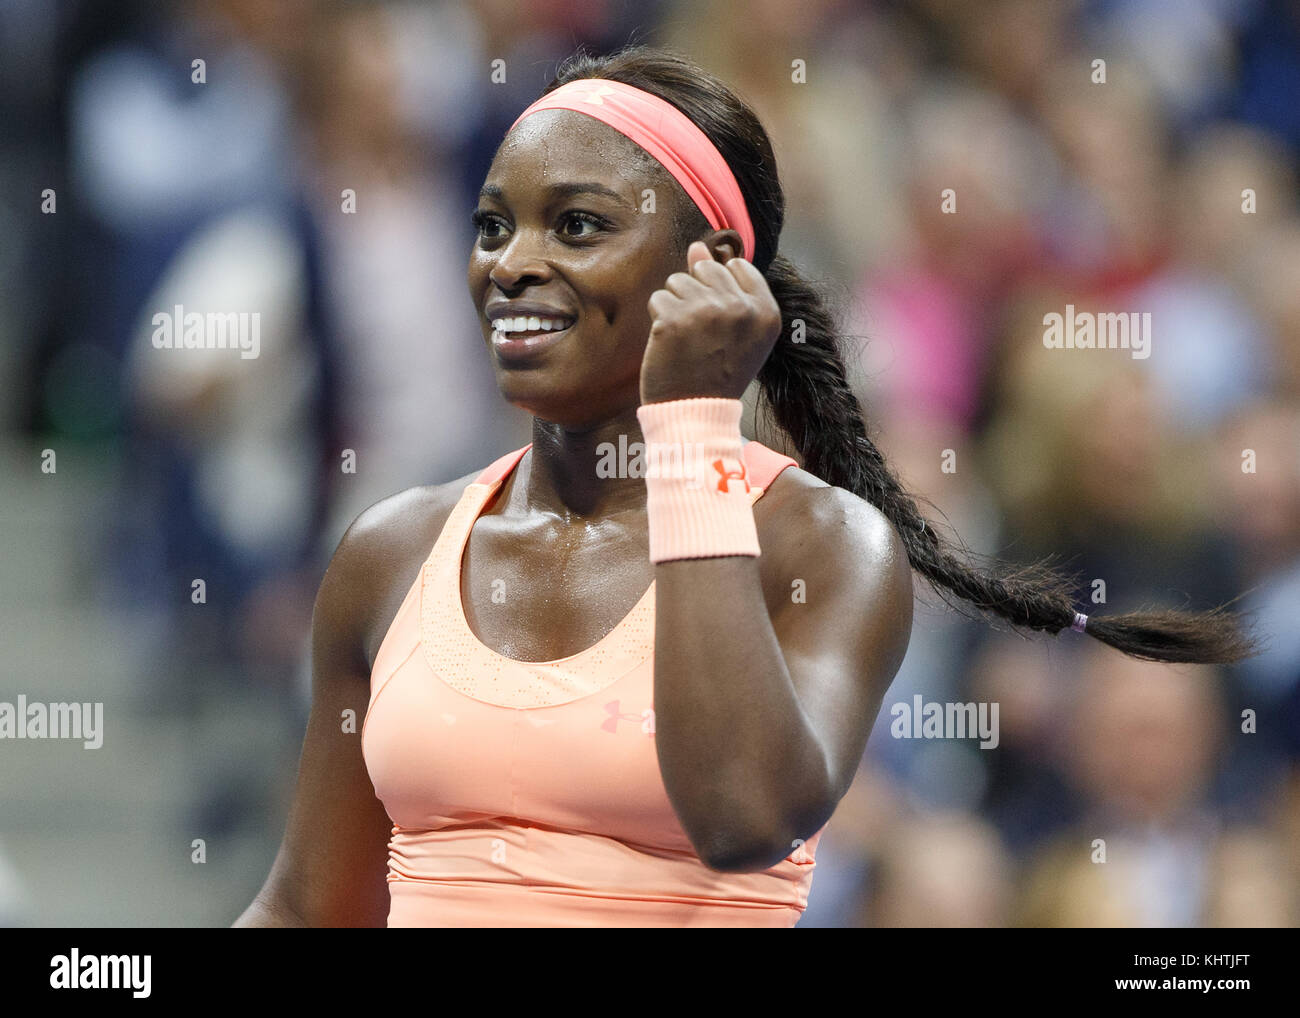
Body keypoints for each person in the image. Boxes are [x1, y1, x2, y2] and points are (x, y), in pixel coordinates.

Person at [233, 45, 1258, 929]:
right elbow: (307, 908)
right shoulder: (390, 551)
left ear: (713, 269)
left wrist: (688, 428)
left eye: (577, 225)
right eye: (494, 225)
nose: (511, 263)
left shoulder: (823, 548)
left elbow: (741, 813)